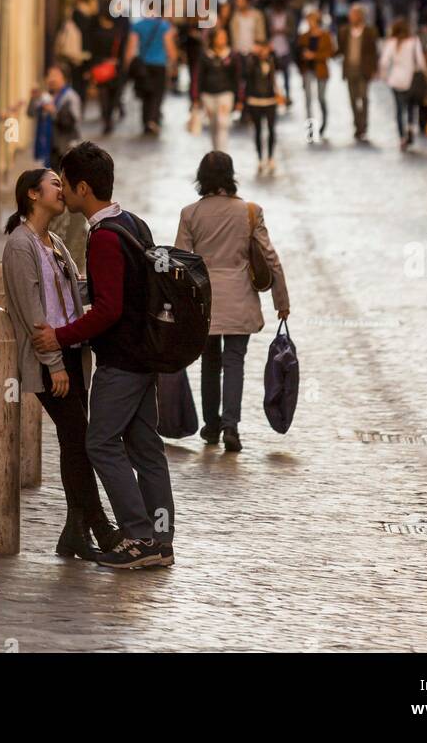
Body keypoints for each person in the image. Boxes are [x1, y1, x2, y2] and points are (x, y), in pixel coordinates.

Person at [31, 141, 175, 570]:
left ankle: (137, 536)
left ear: (82, 188)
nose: (64, 193)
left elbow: (110, 309)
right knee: (146, 445)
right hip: (145, 356)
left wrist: (60, 335)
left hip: (123, 360)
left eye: (67, 185)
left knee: (100, 443)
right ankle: (161, 539)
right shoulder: (135, 224)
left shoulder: (105, 238)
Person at [1, 168, 119, 560]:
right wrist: (54, 365)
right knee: (78, 440)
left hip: (71, 351)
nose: (62, 190)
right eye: (54, 184)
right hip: (49, 356)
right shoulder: (21, 246)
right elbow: (34, 312)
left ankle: (74, 531)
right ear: (33, 194)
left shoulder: (51, 240)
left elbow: (73, 291)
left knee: (76, 442)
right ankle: (99, 528)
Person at [175, 151, 290, 453]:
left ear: (201, 178)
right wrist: (282, 300)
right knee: (234, 361)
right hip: (240, 299)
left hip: (205, 303)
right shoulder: (250, 211)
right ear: (231, 175)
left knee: (210, 362)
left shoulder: (190, 214)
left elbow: (181, 264)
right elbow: (270, 258)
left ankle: (211, 424)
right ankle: (231, 426)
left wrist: (178, 306)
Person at [125, 9, 178, 136]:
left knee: (146, 94)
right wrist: (174, 62)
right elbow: (170, 47)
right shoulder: (164, 26)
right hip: (159, 65)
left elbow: (131, 49)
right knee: (157, 94)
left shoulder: (137, 25)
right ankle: (153, 119)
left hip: (143, 66)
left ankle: (146, 121)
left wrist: (128, 67)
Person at [379, 19, 427, 150]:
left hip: (395, 79)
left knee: (399, 109)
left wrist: (384, 77)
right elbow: (421, 61)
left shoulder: (391, 43)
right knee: (412, 107)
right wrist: (425, 72)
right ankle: (410, 128)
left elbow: (384, 62)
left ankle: (402, 137)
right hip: (411, 78)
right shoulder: (414, 41)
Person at [27, 64, 82, 170]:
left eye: (55, 75)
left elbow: (71, 122)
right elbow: (30, 113)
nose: (51, 78)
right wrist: (33, 98)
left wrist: (53, 111)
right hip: (46, 147)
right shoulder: (45, 97)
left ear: (64, 78)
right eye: (49, 75)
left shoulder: (71, 97)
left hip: (63, 148)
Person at [337, 4, 378, 142]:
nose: (351, 17)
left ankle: (364, 125)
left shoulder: (369, 32)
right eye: (350, 14)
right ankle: (357, 126)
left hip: (363, 69)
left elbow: (373, 52)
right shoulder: (344, 31)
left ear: (360, 16)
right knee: (353, 98)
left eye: (354, 14)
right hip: (350, 69)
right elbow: (340, 49)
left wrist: (374, 69)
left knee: (364, 97)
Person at [296, 8, 335, 139]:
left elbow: (330, 53)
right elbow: (298, 52)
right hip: (308, 70)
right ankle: (310, 130)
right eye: (308, 20)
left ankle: (324, 124)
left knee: (321, 98)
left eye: (312, 20)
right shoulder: (304, 36)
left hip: (321, 70)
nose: (310, 22)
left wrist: (314, 55)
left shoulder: (325, 36)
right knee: (308, 100)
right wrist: (303, 56)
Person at [198, 27, 239, 151]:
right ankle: (215, 151)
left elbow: (237, 77)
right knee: (213, 125)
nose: (223, 40)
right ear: (213, 39)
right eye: (220, 37)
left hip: (225, 93)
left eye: (224, 37)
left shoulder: (231, 55)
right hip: (208, 94)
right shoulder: (205, 55)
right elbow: (199, 76)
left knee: (223, 123)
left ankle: (222, 153)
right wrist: (196, 96)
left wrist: (239, 98)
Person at [243, 40, 279, 173]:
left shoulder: (272, 61)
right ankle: (259, 158)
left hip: (270, 100)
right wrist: (252, 56)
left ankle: (270, 157)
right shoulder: (252, 62)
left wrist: (273, 53)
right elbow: (245, 74)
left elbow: (282, 66)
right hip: (255, 101)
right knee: (258, 130)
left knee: (271, 129)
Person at [88, 7, 125, 136]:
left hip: (100, 69)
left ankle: (106, 121)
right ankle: (109, 117)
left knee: (103, 96)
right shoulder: (118, 34)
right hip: (115, 69)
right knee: (113, 96)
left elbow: (93, 54)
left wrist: (91, 70)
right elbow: (122, 54)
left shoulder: (97, 34)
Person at [229, 0, 267, 110]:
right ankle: (242, 106)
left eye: (241, 0)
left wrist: (259, 47)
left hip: (253, 52)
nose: (238, 3)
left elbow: (261, 34)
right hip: (239, 52)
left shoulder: (257, 15)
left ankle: (251, 108)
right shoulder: (235, 16)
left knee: (252, 81)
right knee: (239, 81)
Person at [264, 0, 297, 106]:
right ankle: (274, 95)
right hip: (273, 48)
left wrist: (285, 30)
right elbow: (266, 30)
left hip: (285, 48)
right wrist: (271, 31)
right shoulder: (269, 15)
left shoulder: (289, 16)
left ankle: (287, 96)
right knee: (271, 75)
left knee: (286, 74)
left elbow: (293, 31)